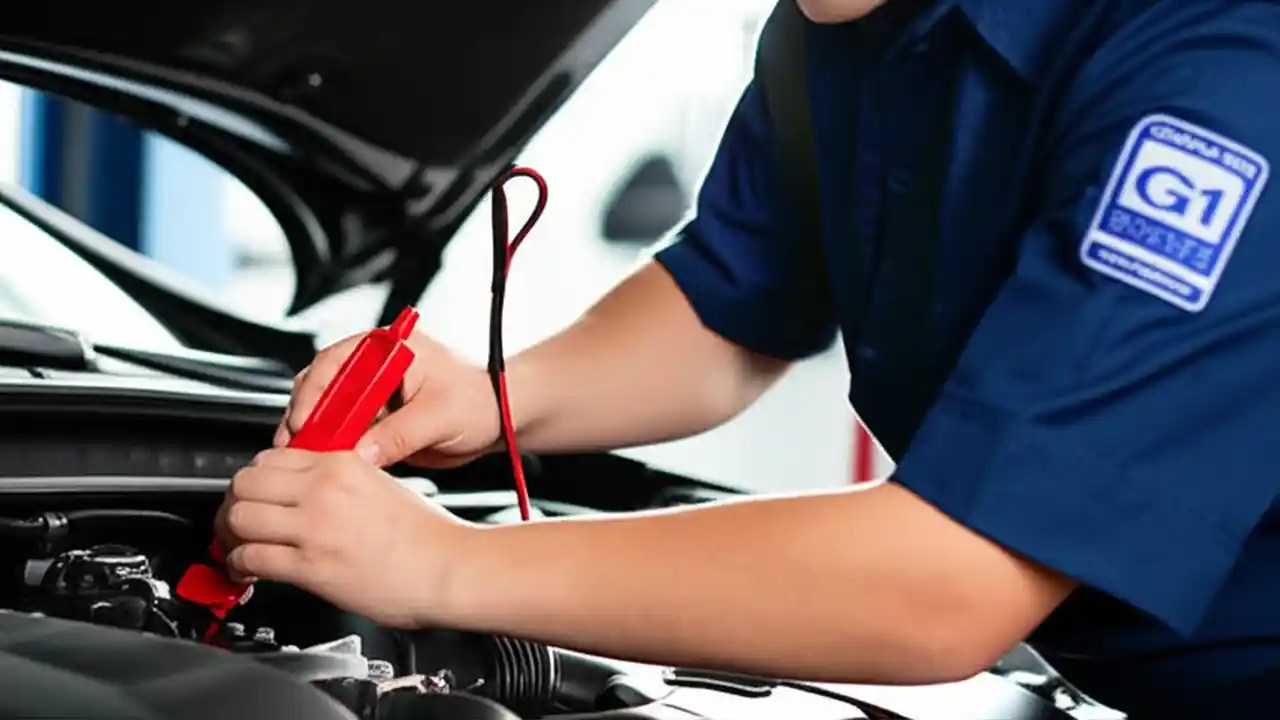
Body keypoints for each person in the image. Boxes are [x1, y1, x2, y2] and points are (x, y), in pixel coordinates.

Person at [214, 1, 1280, 717]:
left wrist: (441, 565)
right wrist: (498, 398)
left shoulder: (1220, 77)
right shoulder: (835, 27)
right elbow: (732, 306)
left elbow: (947, 585)